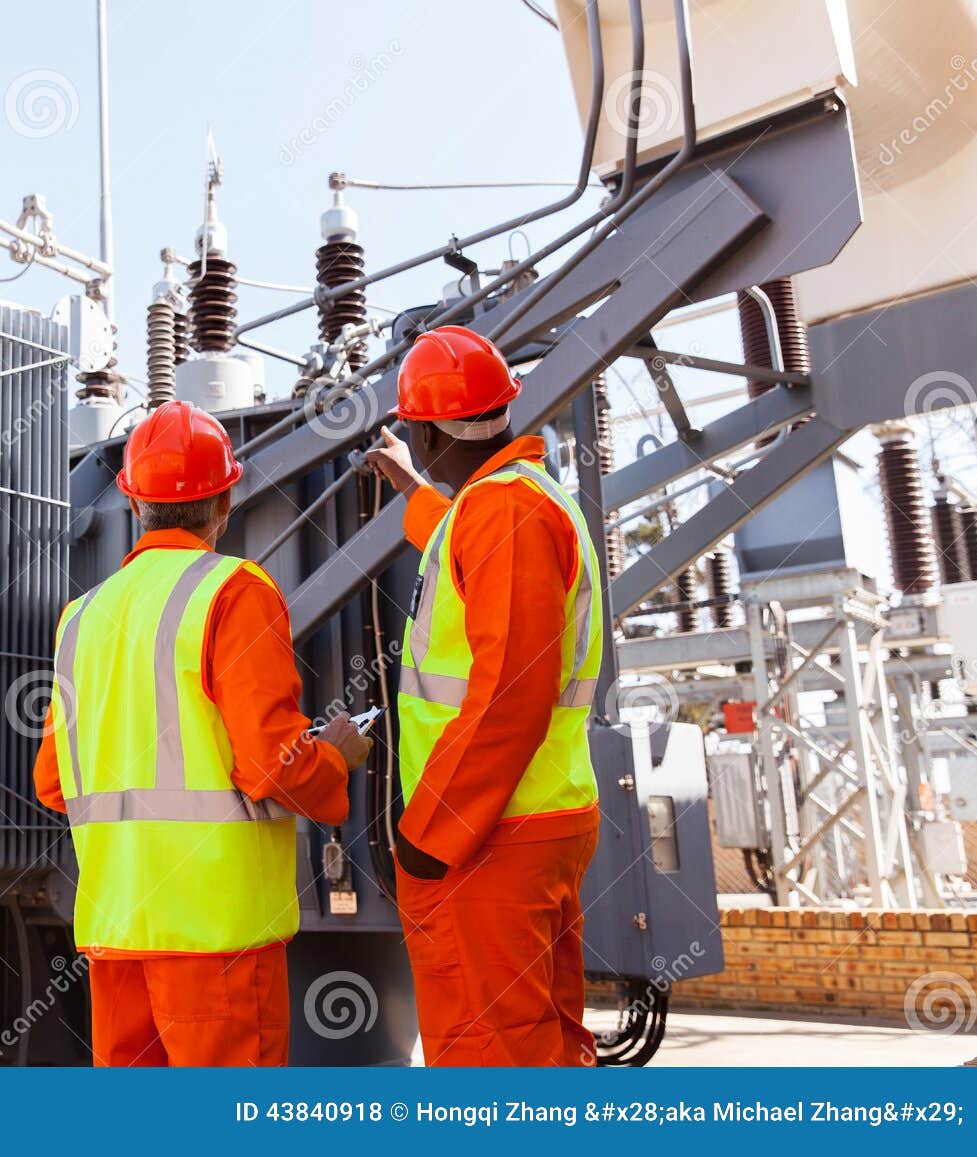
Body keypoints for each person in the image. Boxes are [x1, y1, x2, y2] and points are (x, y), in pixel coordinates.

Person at [32, 400, 371, 1067]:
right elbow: (271, 764)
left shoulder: (81, 616)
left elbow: (52, 780)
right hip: (217, 936)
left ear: (133, 504)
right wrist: (334, 756)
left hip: (118, 927)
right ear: (226, 500)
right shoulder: (234, 591)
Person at [365, 325, 603, 1067]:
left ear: (426, 426)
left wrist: (428, 833)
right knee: (544, 1046)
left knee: (490, 1050)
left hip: (491, 831)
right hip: (531, 815)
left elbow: (512, 692)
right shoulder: (508, 503)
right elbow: (466, 548)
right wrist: (412, 487)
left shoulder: (506, 510)